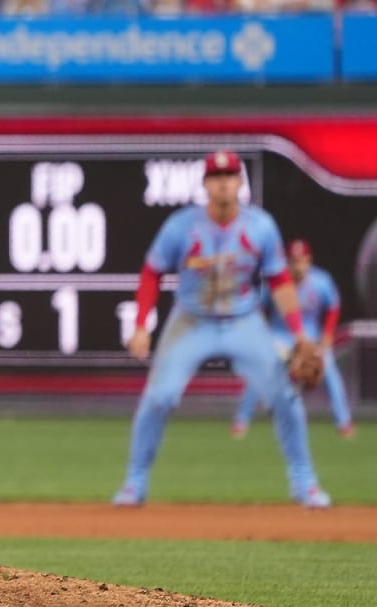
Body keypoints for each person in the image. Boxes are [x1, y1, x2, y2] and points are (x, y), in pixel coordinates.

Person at [114, 150, 331, 509]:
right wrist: (140, 325)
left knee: (285, 397)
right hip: (191, 320)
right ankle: (134, 483)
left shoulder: (259, 225)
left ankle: (304, 483)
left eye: (230, 176)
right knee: (158, 397)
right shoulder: (181, 226)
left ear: (240, 183)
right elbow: (152, 272)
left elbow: (279, 280)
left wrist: (299, 334)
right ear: (205, 184)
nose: (223, 183)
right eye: (216, 177)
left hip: (244, 321)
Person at [232, 239, 353, 439]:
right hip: (281, 336)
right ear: (287, 261)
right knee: (260, 369)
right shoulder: (278, 282)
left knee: (329, 368)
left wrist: (328, 333)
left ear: (308, 260)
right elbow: (259, 308)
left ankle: (344, 422)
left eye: (301, 260)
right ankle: (241, 421)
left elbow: (333, 306)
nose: (298, 264)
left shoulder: (321, 280)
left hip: (311, 336)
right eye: (294, 260)